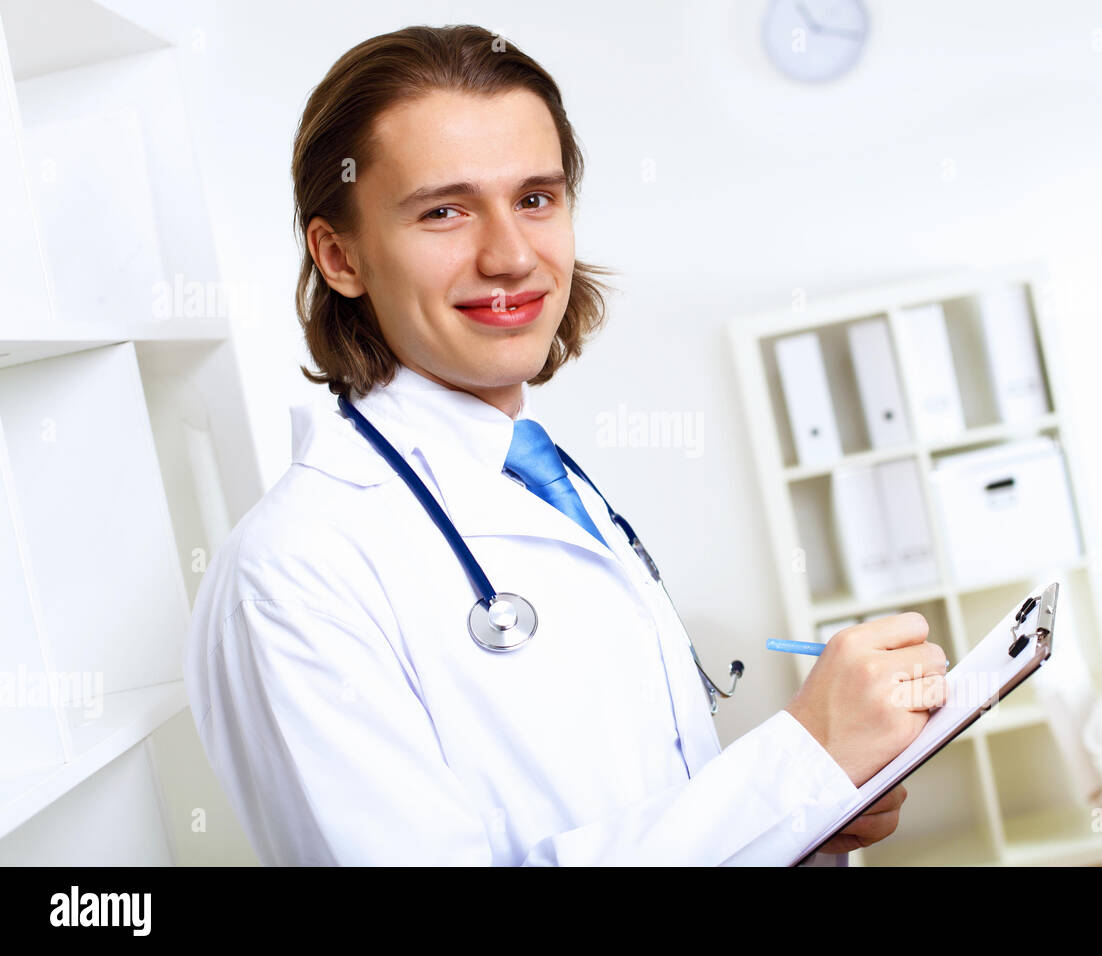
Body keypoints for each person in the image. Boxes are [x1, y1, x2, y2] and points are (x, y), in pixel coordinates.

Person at [183, 23, 948, 866]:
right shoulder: (292, 572)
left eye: (536, 199)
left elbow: (641, 811)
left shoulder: (543, 481)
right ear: (340, 256)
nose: (511, 256)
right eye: (444, 210)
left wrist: (806, 817)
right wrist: (797, 762)